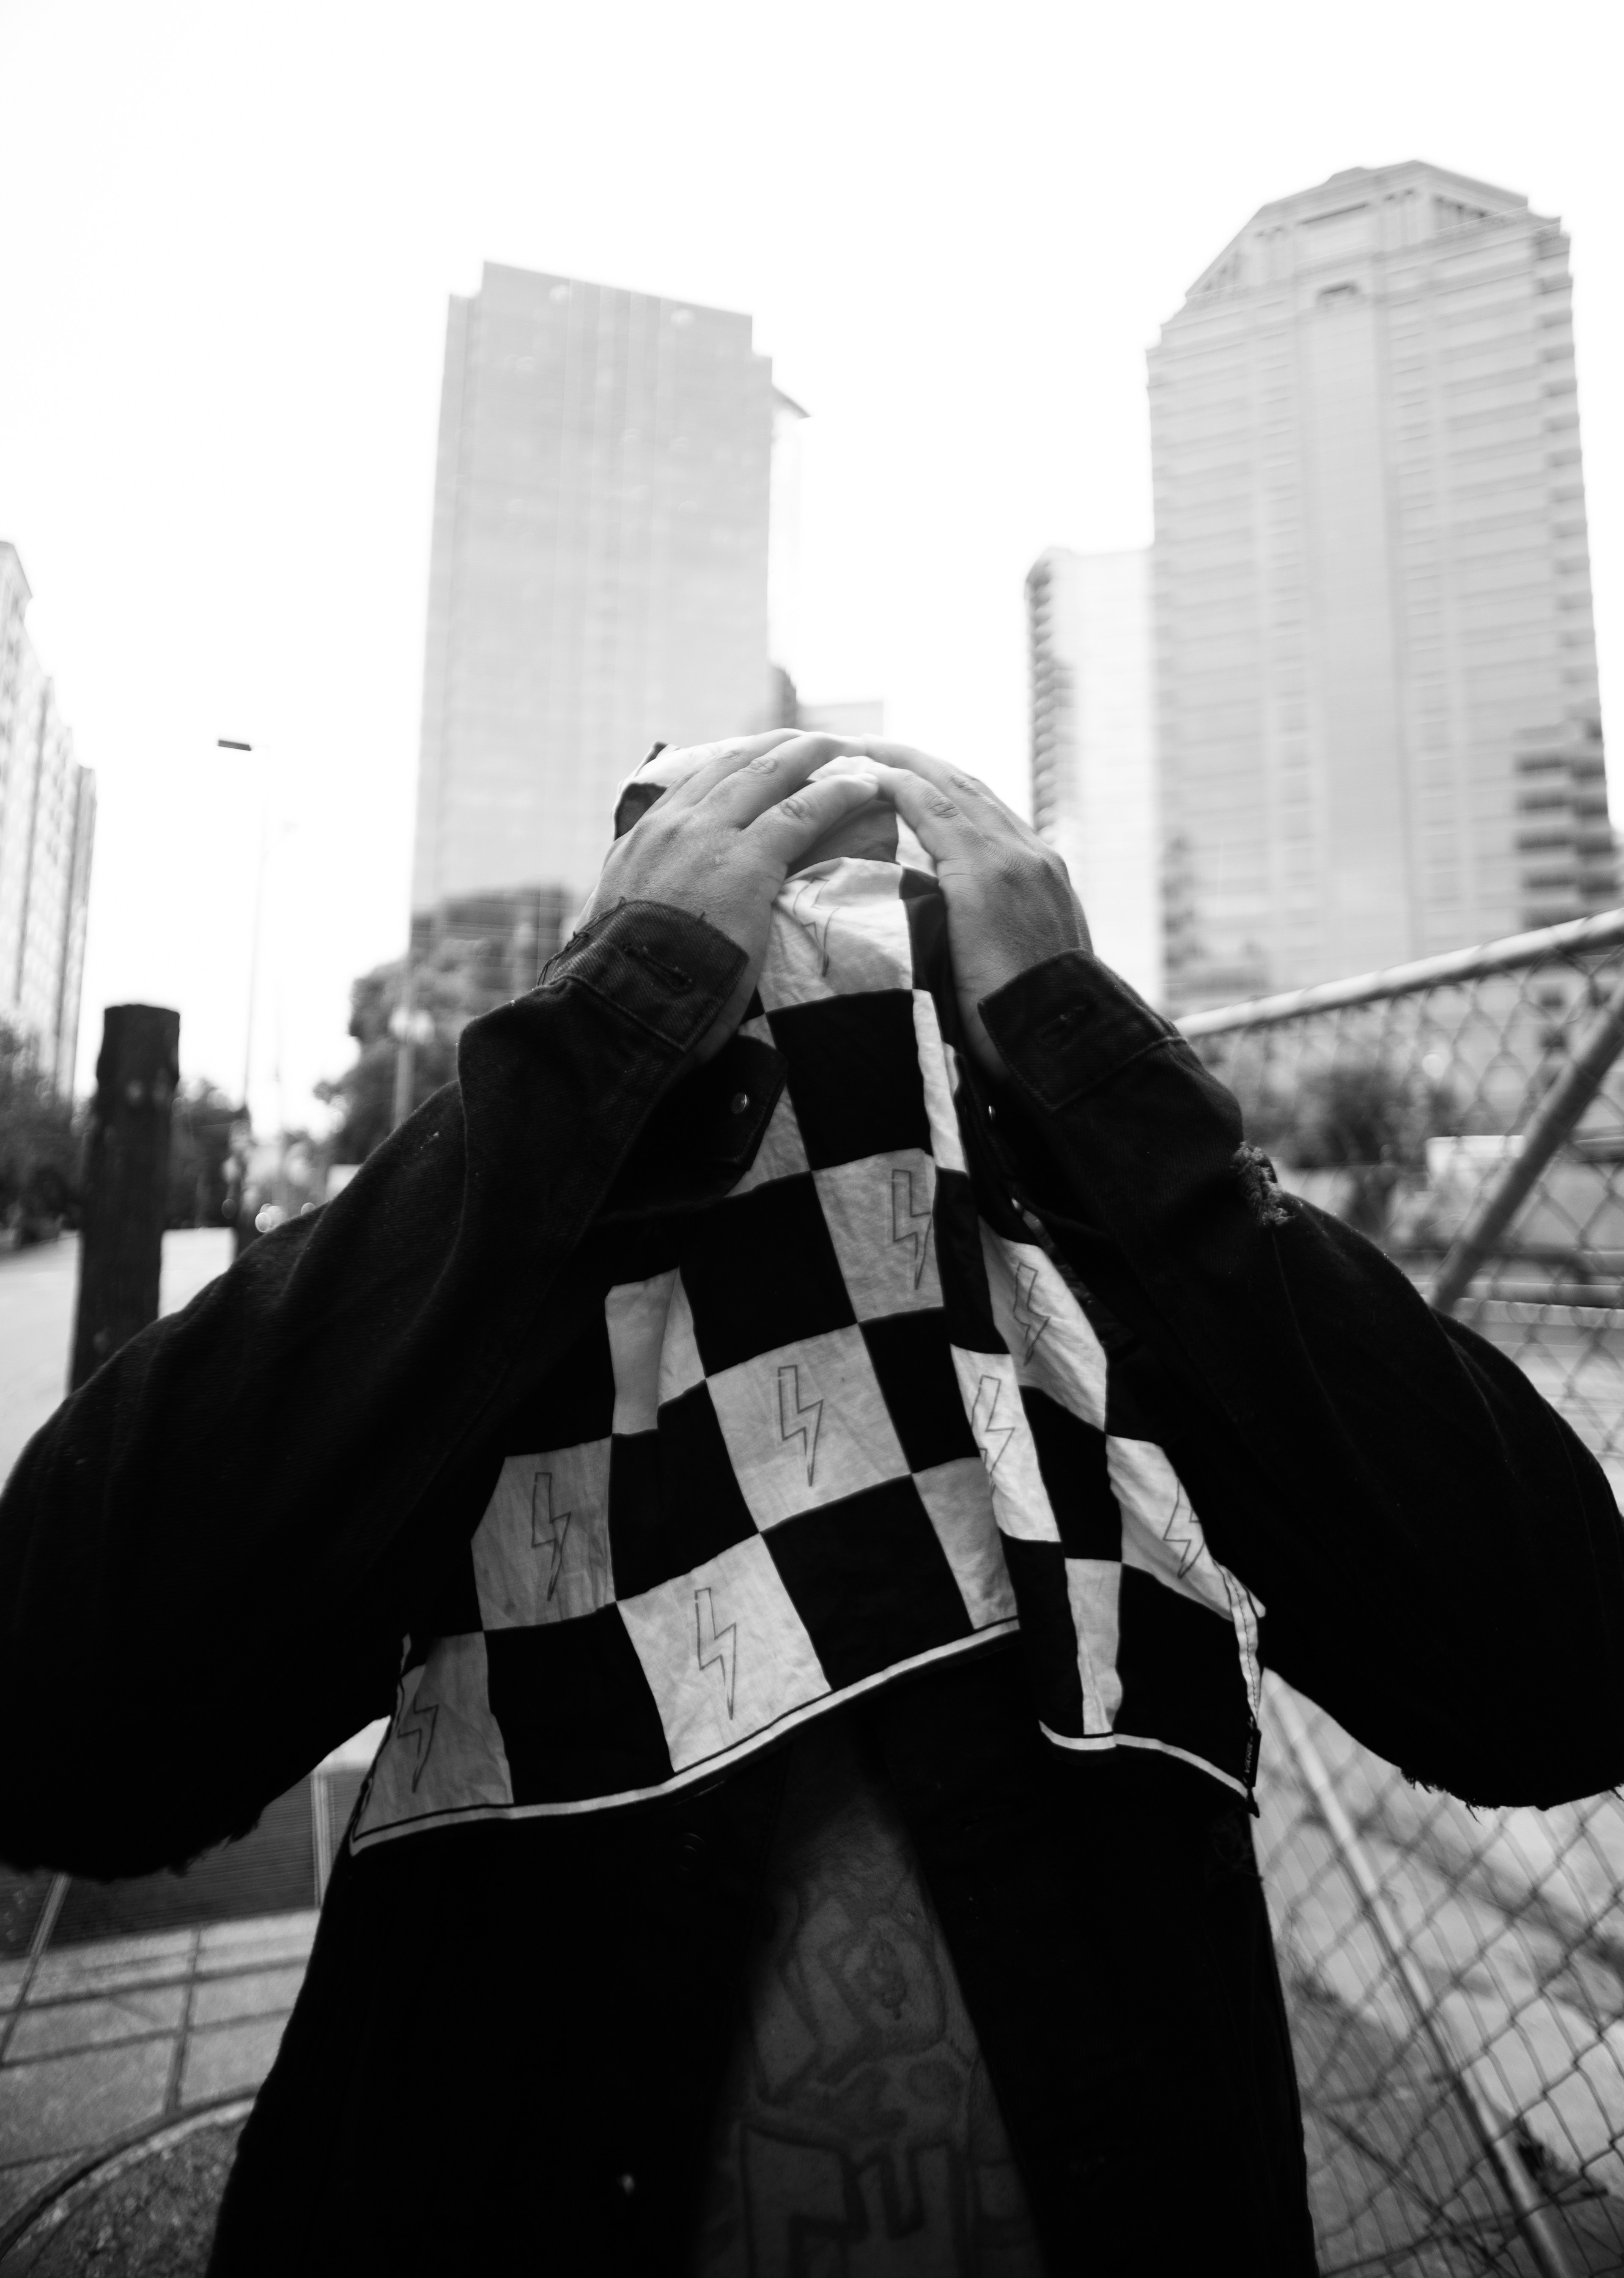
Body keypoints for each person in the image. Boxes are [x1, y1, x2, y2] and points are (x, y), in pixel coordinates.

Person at [3, 730, 1622, 2277]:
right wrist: (592, 1058)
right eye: (738, 957)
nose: (810, 992)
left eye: (882, 940)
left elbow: (1560, 1669)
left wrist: (1088, 1064)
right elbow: (61, 1713)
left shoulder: (1094, 1338)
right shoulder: (515, 1334)